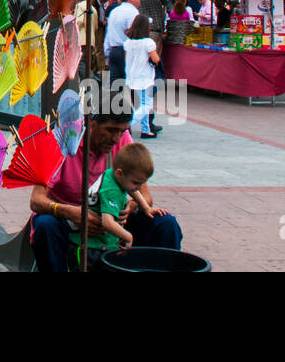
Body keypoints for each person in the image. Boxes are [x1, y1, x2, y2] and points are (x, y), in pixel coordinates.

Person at [28, 111, 182, 272]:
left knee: (166, 224)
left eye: (122, 131)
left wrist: (128, 207)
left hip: (112, 221)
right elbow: (36, 200)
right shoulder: (63, 139)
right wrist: (72, 212)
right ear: (92, 124)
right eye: (111, 130)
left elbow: (145, 196)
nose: (116, 139)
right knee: (45, 225)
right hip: (70, 221)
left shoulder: (123, 140)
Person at [88, 143, 159, 253]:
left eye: (142, 183)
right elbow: (107, 222)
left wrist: (146, 207)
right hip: (93, 245)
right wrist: (128, 237)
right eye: (136, 182)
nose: (139, 187)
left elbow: (132, 190)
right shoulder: (111, 190)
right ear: (119, 173)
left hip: (104, 239)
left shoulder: (114, 175)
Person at [124, 15, 161, 138]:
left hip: (132, 75)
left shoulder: (128, 42)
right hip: (145, 77)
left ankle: (146, 129)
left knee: (142, 103)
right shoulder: (148, 43)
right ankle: (127, 126)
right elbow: (155, 59)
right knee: (147, 105)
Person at [102, 0, 141, 86]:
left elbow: (109, 33)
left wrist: (107, 51)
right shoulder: (132, 12)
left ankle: (116, 100)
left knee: (115, 83)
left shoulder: (115, 11)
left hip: (114, 50)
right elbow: (134, 35)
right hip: (126, 51)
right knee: (134, 83)